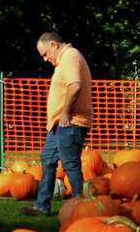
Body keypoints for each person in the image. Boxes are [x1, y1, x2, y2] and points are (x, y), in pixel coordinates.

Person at [24, 31, 93, 215]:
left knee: (70, 164)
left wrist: (66, 111)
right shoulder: (65, 60)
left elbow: (75, 85)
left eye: (46, 54)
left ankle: (80, 208)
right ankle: (42, 205)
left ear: (54, 45)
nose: (45, 59)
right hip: (58, 124)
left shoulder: (70, 57)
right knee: (48, 159)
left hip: (70, 122)